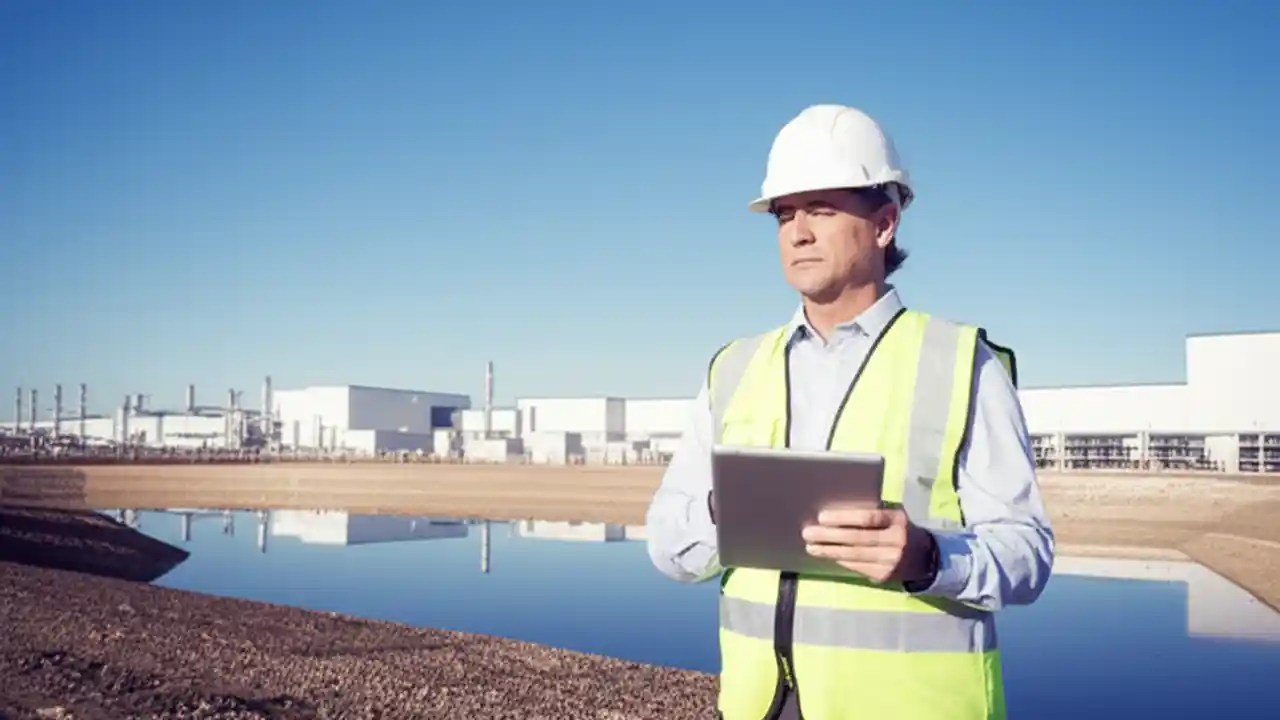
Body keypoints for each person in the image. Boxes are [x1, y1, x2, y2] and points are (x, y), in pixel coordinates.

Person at [644, 104, 1054, 720]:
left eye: (823, 210)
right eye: (785, 214)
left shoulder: (963, 363)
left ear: (885, 224)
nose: (797, 231)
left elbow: (1027, 554)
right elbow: (667, 544)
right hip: (759, 707)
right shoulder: (734, 368)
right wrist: (721, 513)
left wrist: (929, 559)